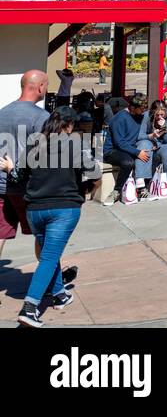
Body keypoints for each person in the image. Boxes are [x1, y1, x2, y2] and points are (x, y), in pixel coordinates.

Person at [1, 106, 100, 327]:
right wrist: (86, 191)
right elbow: (95, 175)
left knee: (49, 254)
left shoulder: (34, 144)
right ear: (69, 125)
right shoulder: (75, 144)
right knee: (48, 258)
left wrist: (9, 168)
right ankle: (29, 309)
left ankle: (60, 294)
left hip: (34, 210)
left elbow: (17, 177)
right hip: (63, 209)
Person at [0, 71, 52, 266]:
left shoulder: (2, 112)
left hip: (2, 185)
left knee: (0, 233)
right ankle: (49, 278)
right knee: (43, 234)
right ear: (40, 87)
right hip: (28, 188)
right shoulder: (42, 117)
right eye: (46, 85)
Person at [103, 96, 146, 205]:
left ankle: (144, 187)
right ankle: (116, 191)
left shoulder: (140, 116)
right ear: (133, 107)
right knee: (128, 163)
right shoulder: (119, 118)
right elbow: (119, 143)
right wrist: (137, 152)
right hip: (113, 151)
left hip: (129, 148)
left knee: (150, 155)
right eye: (141, 108)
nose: (143, 111)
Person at [135, 100, 167, 199]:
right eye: (157, 115)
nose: (160, 117)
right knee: (144, 144)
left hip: (164, 144)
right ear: (152, 113)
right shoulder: (146, 116)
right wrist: (152, 136)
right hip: (149, 142)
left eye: (162, 115)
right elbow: (140, 136)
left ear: (166, 113)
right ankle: (141, 179)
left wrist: (164, 127)